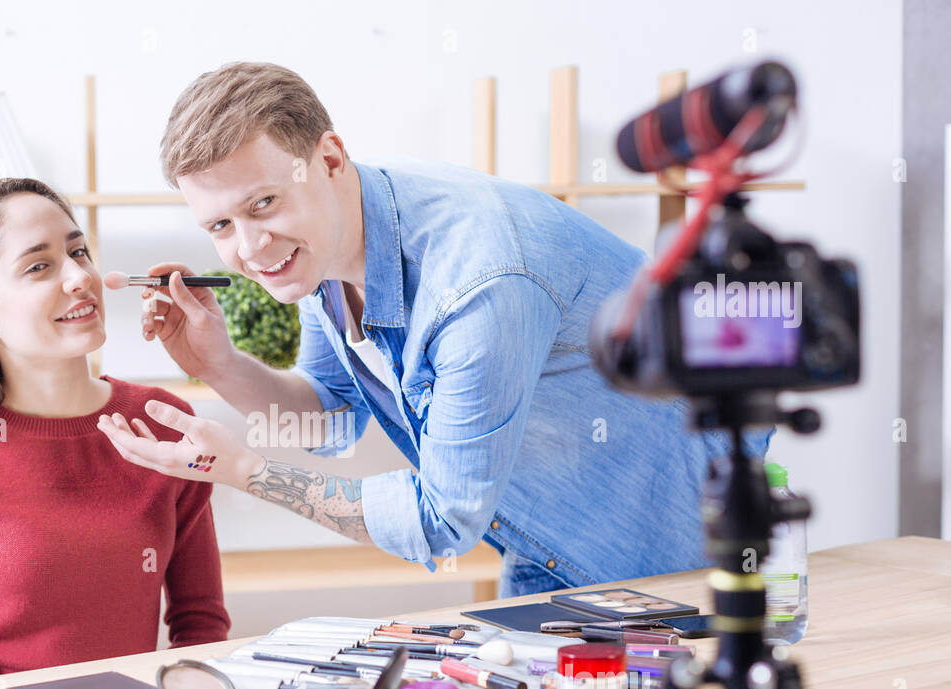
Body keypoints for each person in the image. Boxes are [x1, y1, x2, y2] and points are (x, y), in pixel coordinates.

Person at [98, 61, 771, 599]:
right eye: (219, 226)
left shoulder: (479, 280)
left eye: (263, 204)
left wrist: (241, 469)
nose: (248, 248)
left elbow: (442, 521)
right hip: (544, 543)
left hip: (672, 562)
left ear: (330, 159)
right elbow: (331, 420)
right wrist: (220, 363)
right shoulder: (324, 247)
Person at [0, 177, 229, 683]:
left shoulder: (163, 422)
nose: (79, 277)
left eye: (79, 252)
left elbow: (201, 628)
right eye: (39, 266)